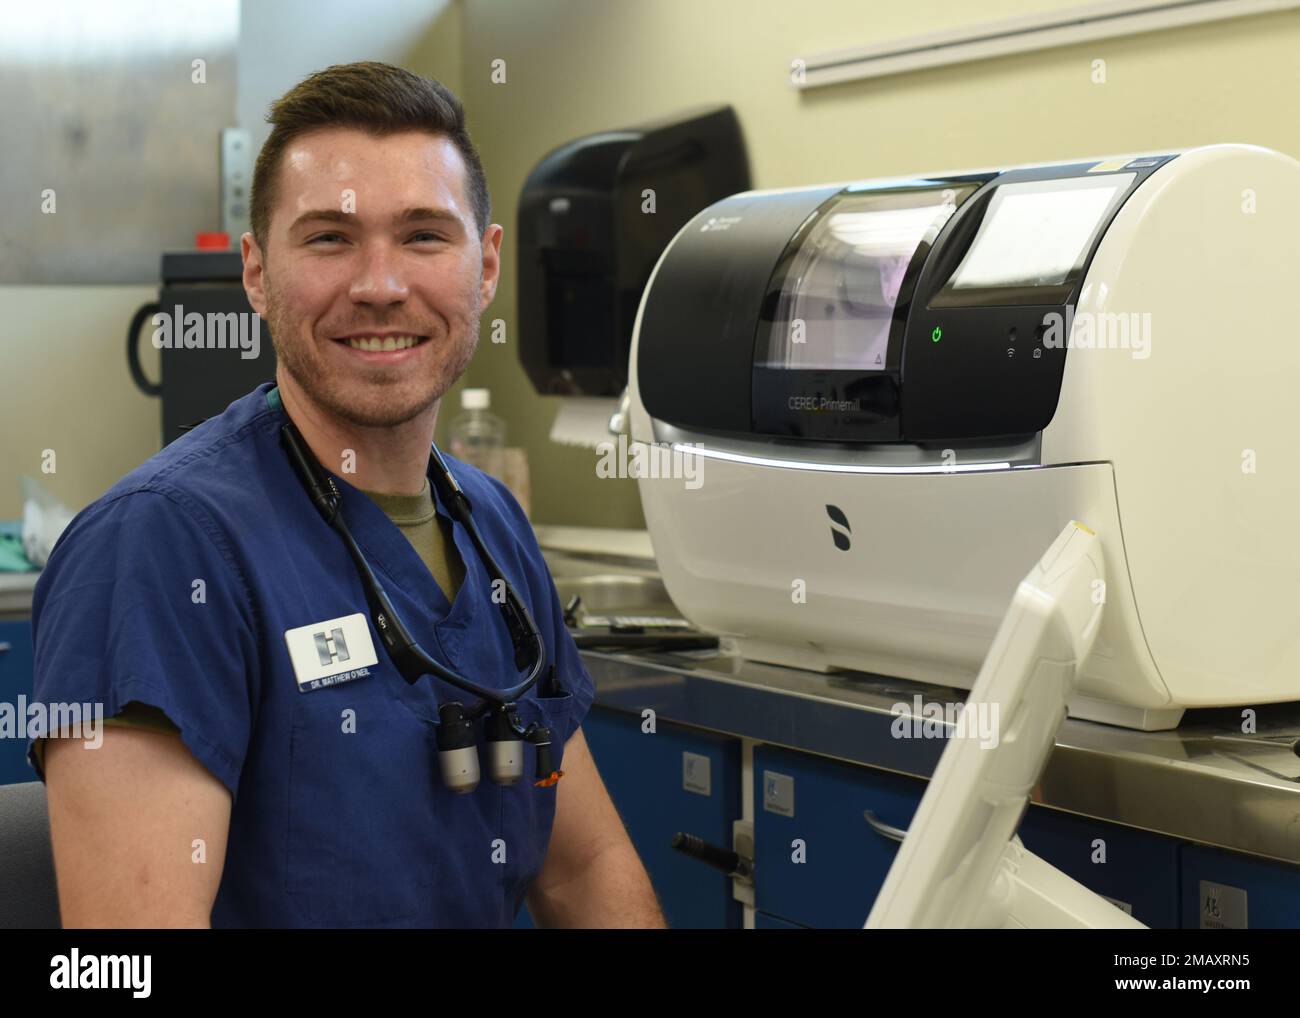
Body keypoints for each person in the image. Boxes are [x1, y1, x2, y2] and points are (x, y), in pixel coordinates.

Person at [28, 61, 665, 929]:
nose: (379, 284)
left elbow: (585, 869)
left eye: (424, 236)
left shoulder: (492, 527)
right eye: (329, 238)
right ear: (256, 274)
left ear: (485, 267)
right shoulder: (160, 548)